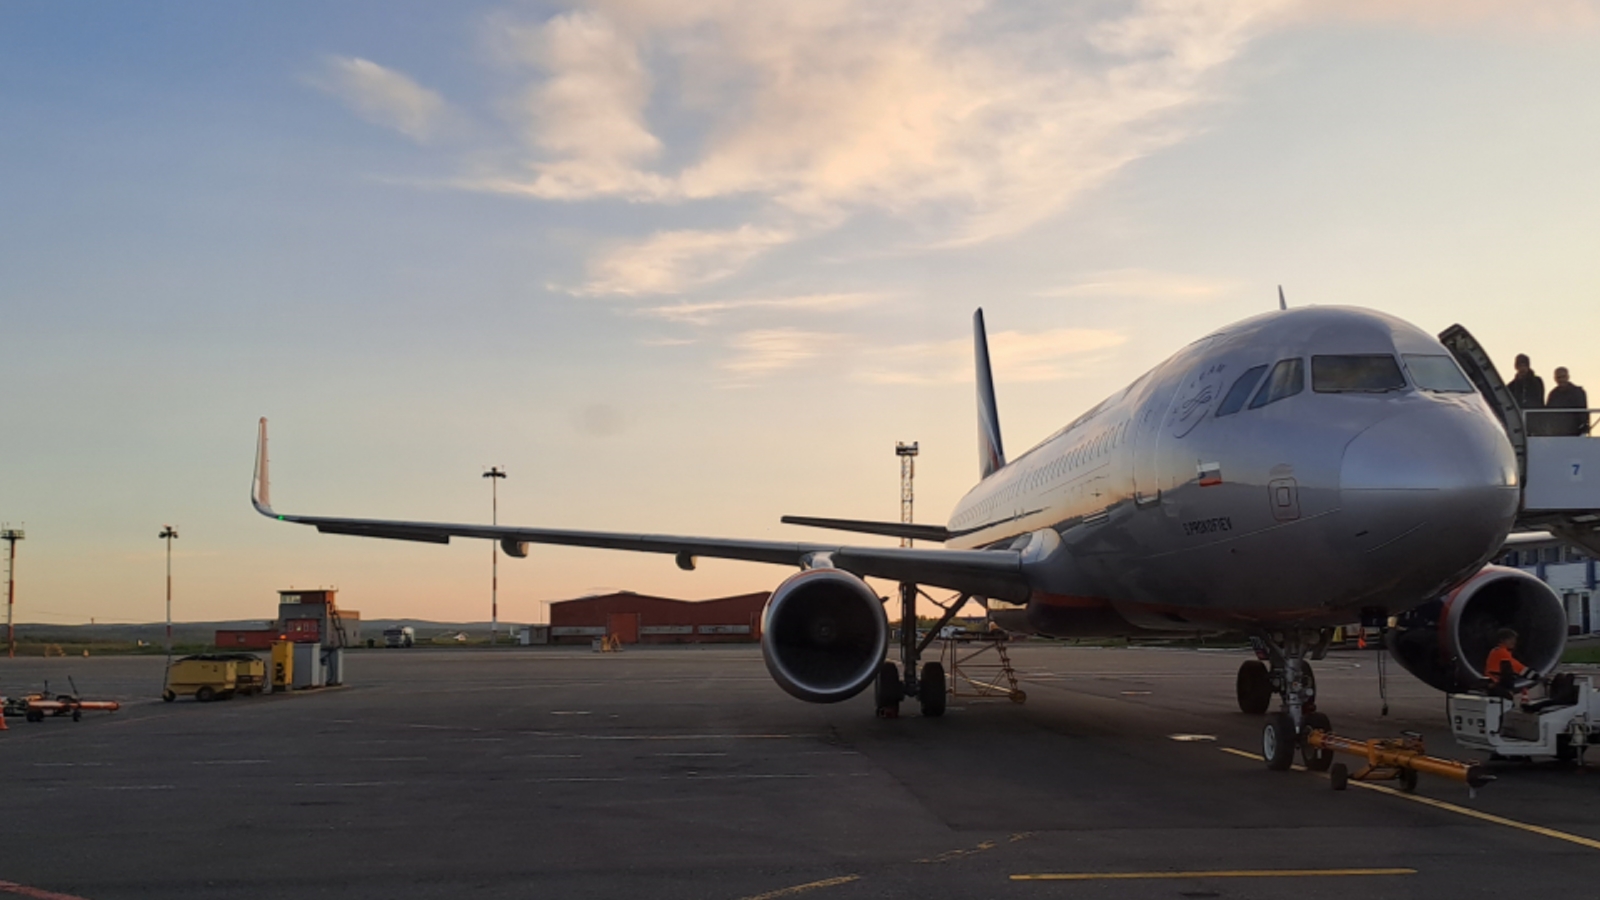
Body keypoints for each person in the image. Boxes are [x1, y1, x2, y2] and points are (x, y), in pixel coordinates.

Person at [1546, 367, 1590, 436]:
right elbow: (1548, 413)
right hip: (1557, 433)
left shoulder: (1578, 392)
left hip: (1575, 432)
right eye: (1559, 377)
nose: (1561, 379)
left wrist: (1584, 429)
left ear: (1568, 377)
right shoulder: (1553, 394)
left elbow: (1583, 412)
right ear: (1555, 379)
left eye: (1563, 376)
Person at [1509, 354, 1546, 433]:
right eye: (1520, 366)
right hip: (1518, 420)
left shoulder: (1537, 381)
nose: (1522, 368)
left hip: (1535, 420)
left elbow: (1538, 399)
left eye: (1524, 365)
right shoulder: (1511, 386)